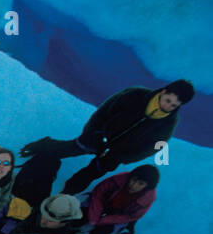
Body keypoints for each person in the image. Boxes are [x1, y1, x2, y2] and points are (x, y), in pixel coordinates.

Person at [21, 80, 194, 195]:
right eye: (167, 100)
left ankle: (67, 192)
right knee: (69, 148)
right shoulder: (135, 95)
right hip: (97, 137)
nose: (167, 106)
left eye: (173, 105)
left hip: (116, 154)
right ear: (163, 91)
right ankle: (41, 146)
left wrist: (122, 157)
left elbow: (153, 147)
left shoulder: (168, 124)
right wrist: (93, 132)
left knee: (90, 174)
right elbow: (104, 111)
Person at [65, 164, 159, 234]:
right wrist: (94, 218)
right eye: (134, 180)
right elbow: (98, 194)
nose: (134, 185)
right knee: (76, 218)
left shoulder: (148, 198)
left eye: (140, 184)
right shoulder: (117, 180)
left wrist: (102, 221)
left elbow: (131, 216)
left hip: (118, 215)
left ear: (147, 187)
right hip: (99, 203)